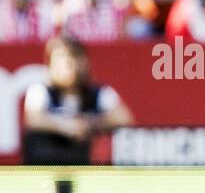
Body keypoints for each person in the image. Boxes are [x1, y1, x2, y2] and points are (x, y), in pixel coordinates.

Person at [23, 35, 133, 164]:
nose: (69, 64)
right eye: (62, 59)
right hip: (49, 163)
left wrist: (88, 124)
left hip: (86, 162)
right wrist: (65, 127)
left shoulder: (100, 93)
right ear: (50, 65)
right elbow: (33, 119)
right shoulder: (40, 91)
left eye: (75, 57)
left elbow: (124, 118)